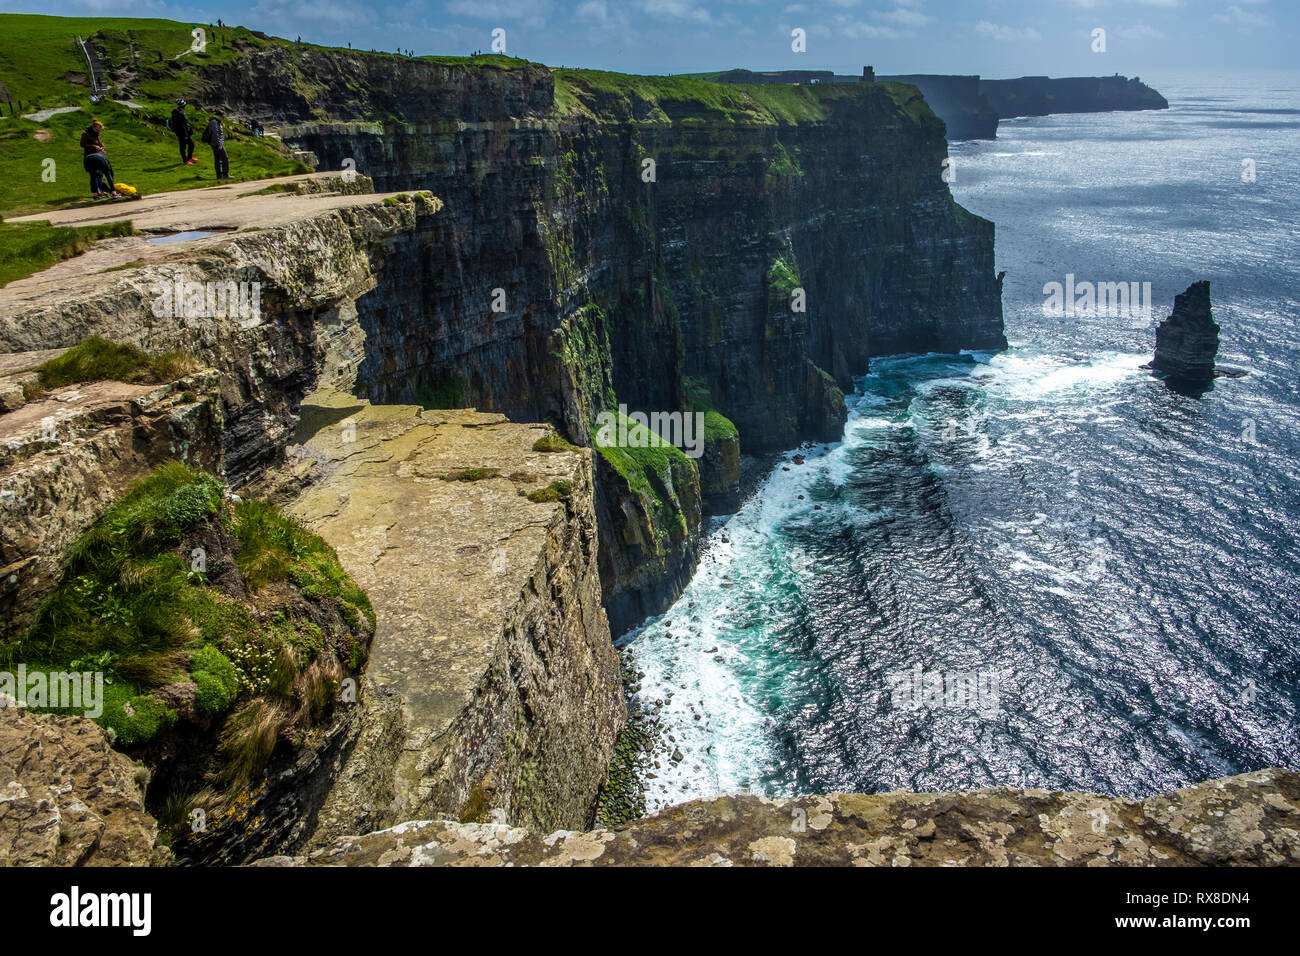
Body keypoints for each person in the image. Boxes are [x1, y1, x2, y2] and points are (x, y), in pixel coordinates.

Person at [79, 118, 118, 199]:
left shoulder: (97, 135)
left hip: (98, 156)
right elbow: (82, 144)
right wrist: (94, 147)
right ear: (93, 127)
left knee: (99, 175)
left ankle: (99, 193)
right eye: (97, 129)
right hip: (90, 157)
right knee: (99, 174)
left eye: (100, 129)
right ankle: (112, 192)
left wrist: (103, 148)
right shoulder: (85, 134)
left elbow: (101, 144)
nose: (99, 131)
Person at [202, 110, 230, 180]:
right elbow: (215, 133)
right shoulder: (214, 122)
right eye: (223, 116)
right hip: (217, 144)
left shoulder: (215, 121)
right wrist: (219, 144)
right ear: (219, 116)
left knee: (218, 159)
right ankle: (225, 174)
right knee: (225, 158)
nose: (223, 118)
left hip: (215, 143)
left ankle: (219, 176)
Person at [170, 99, 196, 165]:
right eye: (185, 105)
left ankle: (189, 158)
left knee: (191, 144)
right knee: (184, 146)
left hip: (182, 132)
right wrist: (185, 135)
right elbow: (182, 126)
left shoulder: (178, 112)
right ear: (183, 106)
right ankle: (185, 160)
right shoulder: (179, 113)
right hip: (182, 133)